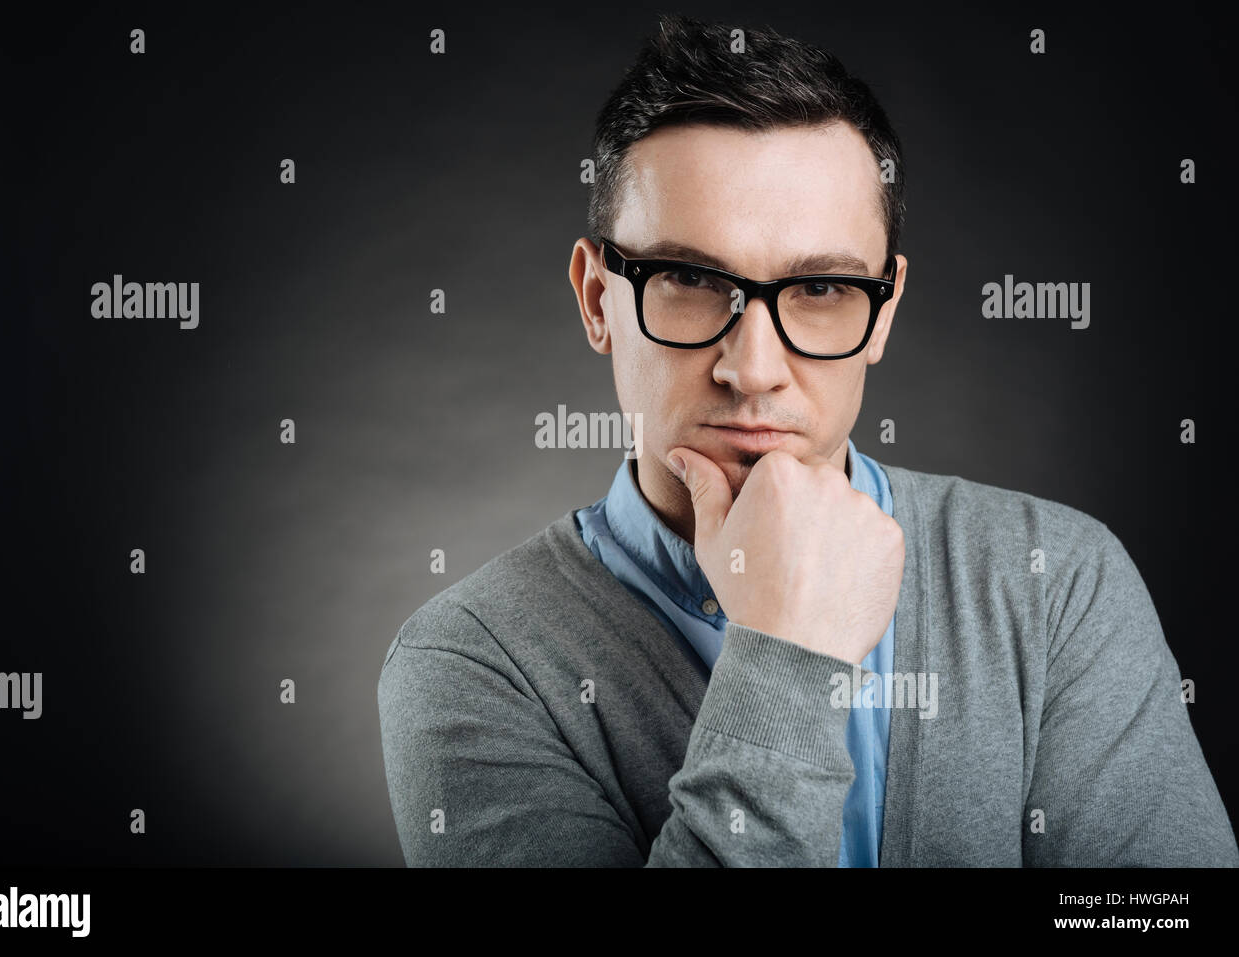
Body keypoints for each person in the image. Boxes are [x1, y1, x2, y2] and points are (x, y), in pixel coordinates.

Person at [377, 13, 1237, 866]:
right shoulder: (469, 661)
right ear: (599, 301)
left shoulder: (1058, 580)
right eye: (685, 278)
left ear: (883, 312)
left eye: (820, 286)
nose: (753, 369)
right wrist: (790, 654)